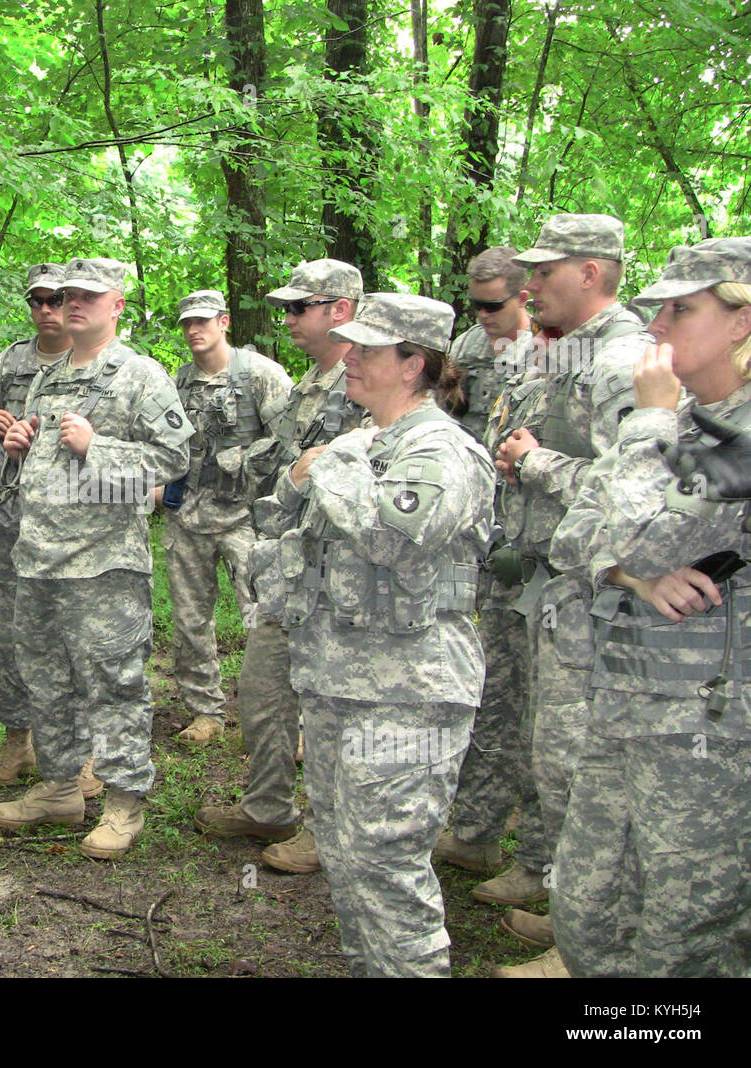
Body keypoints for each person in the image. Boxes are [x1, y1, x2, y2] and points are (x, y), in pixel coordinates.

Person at [548, 237, 751, 976]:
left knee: (684, 939)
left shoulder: (728, 432)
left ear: (741, 321)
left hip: (713, 734)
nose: (657, 327)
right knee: (585, 914)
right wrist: (635, 578)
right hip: (629, 703)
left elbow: (629, 526)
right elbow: (576, 540)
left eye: (681, 309)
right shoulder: (682, 420)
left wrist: (648, 424)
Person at [275, 292, 494, 976]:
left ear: (412, 365)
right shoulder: (369, 443)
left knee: (389, 869)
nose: (350, 360)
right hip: (343, 682)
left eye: (367, 350)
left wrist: (331, 464)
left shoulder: (440, 450)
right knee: (347, 860)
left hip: (409, 696)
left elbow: (393, 538)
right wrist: (302, 475)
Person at [477, 215, 646, 976]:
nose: (530, 284)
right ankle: (555, 887)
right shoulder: (561, 353)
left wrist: (539, 465)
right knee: (550, 748)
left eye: (545, 272)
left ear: (592, 271)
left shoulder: (622, 359)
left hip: (595, 593)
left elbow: (635, 495)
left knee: (582, 764)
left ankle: (591, 944)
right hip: (542, 583)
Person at [0, 257, 192, 859]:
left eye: (89, 296)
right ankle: (57, 786)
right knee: (46, 680)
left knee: (112, 683)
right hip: (38, 557)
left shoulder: (140, 375)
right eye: (68, 295)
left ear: (117, 305)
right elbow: (46, 466)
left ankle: (125, 802)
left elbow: (174, 459)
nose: (74, 304)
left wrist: (98, 448)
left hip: (103, 564)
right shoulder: (49, 377)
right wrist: (19, 448)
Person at [194, 259, 365, 876]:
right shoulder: (311, 382)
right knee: (264, 691)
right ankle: (269, 805)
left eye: (299, 307)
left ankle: (329, 829)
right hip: (291, 568)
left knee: (327, 706)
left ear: (338, 310)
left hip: (337, 578)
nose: (286, 317)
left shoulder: (366, 380)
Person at [435, 248, 546, 886]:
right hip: (476, 535)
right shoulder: (469, 346)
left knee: (535, 702)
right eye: (473, 304)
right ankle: (475, 830)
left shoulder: (560, 354)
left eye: (493, 305)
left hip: (535, 543)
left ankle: (537, 850)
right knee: (489, 688)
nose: (482, 316)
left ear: (524, 295)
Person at [159, 288, 292, 746]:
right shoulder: (177, 384)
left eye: (203, 321)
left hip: (246, 518)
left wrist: (243, 458)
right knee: (190, 620)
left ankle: (278, 717)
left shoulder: (261, 375)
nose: (194, 330)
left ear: (224, 322)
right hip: (188, 517)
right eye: (187, 323)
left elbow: (291, 441)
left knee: (264, 617)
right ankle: (206, 712)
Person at [0, 262, 81, 787]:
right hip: (15, 520)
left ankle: (80, 750)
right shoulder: (11, 362)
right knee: (13, 629)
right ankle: (19, 738)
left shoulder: (97, 364)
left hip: (74, 525)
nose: (46, 310)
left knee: (72, 634)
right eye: (37, 301)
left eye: (55, 300)